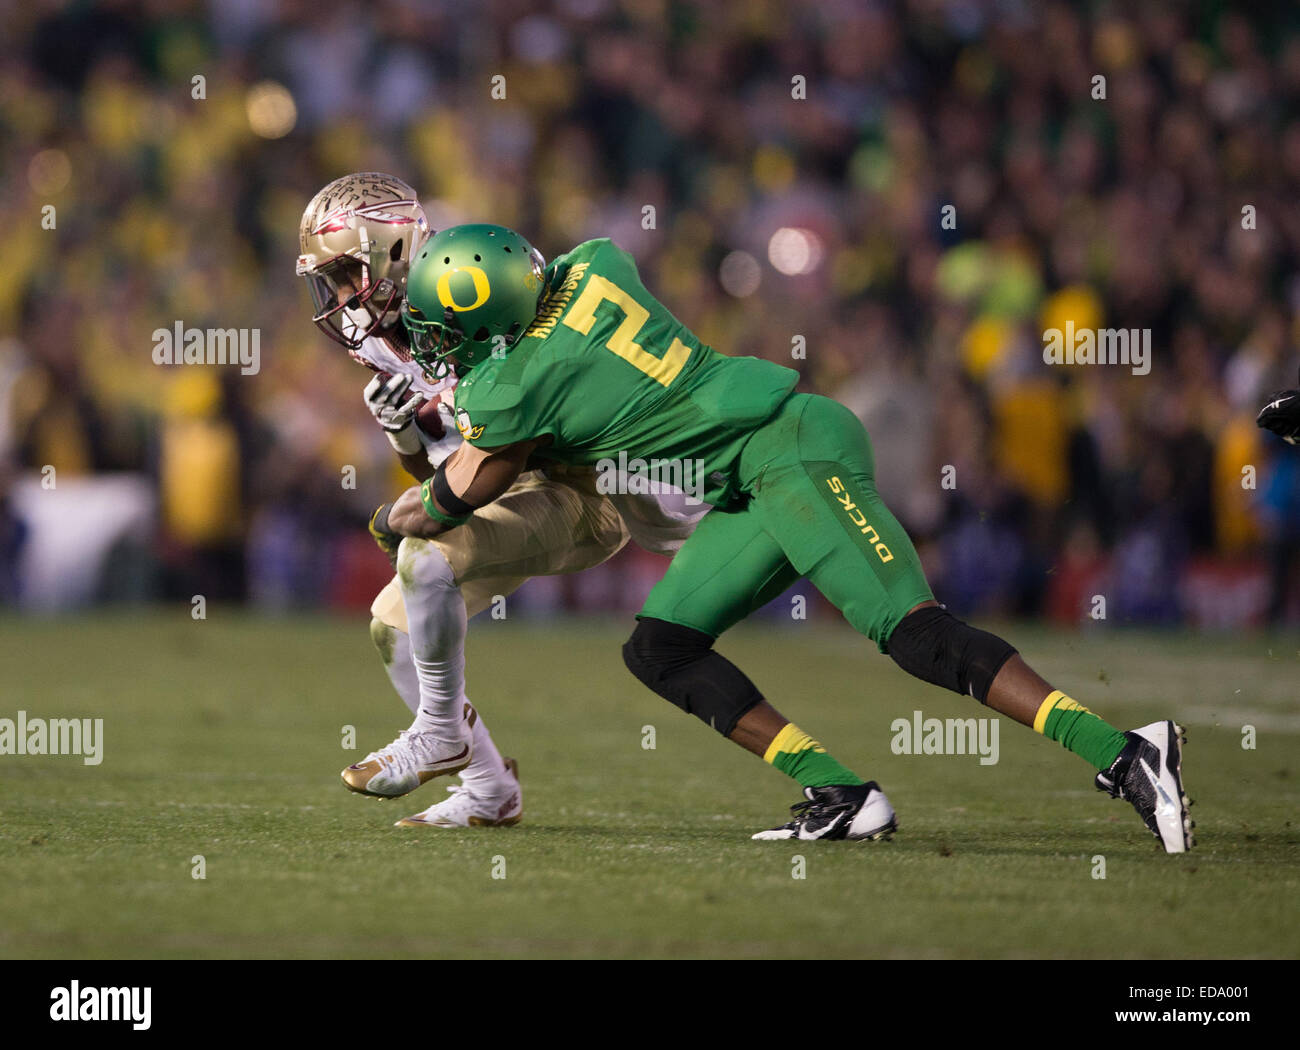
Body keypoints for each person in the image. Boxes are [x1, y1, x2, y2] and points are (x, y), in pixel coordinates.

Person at [370, 224, 1196, 852]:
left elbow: (436, 508)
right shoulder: (595, 264)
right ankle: (841, 793)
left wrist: (390, 497)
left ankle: (1125, 752)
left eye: (447, 325)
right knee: (661, 647)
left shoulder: (523, 383)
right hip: (747, 478)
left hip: (791, 452)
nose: (442, 342)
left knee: (916, 634)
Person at [296, 176, 702, 827]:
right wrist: (404, 433)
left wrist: (421, 504)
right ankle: (488, 788)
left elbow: (517, 424)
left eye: (347, 273)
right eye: (331, 278)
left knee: (425, 559)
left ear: (392, 251)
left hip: (584, 481)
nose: (341, 297)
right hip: (504, 481)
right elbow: (443, 464)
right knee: (395, 627)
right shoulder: (378, 333)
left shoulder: (473, 285)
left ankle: (441, 739)